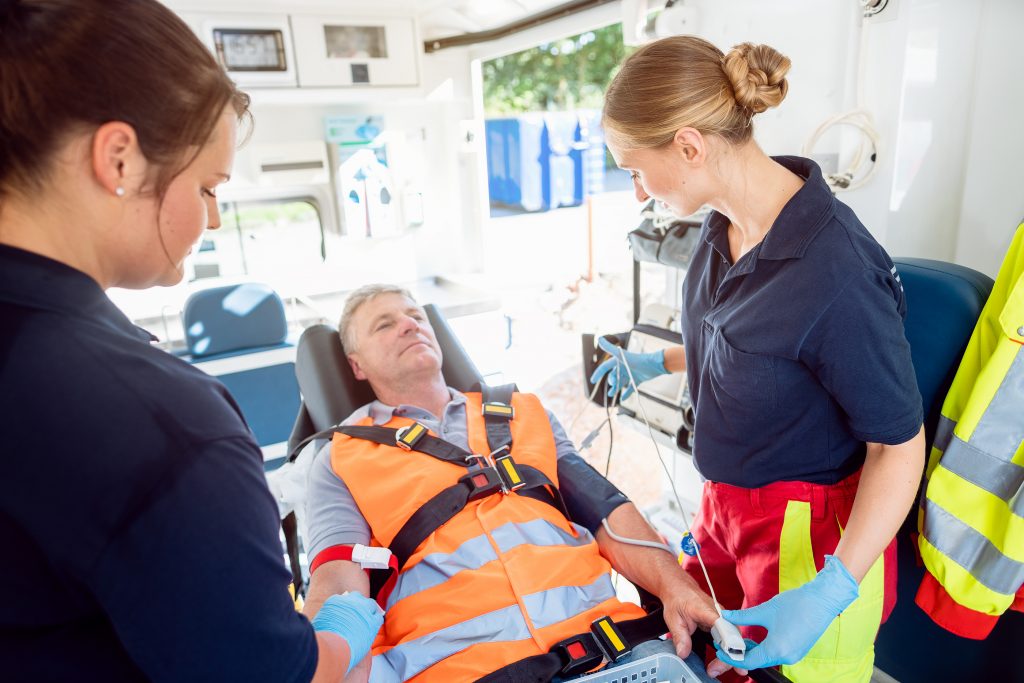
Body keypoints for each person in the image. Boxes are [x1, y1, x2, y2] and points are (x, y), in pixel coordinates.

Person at [0, 1, 381, 680]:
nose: (209, 216)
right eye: (208, 187)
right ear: (118, 157)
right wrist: (342, 624)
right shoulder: (164, 428)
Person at [591, 37, 926, 683]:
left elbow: (898, 446)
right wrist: (660, 361)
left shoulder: (838, 272)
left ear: (689, 146)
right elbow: (750, 344)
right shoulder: (720, 231)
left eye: (634, 170)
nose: (637, 193)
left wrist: (831, 589)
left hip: (809, 536)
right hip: (724, 510)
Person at [300, 284, 732, 682]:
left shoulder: (523, 411)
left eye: (415, 315)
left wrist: (677, 587)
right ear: (356, 365)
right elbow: (338, 586)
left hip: (615, 652)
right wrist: (319, 663)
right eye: (384, 324)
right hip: (469, 672)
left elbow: (608, 513)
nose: (409, 324)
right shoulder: (341, 457)